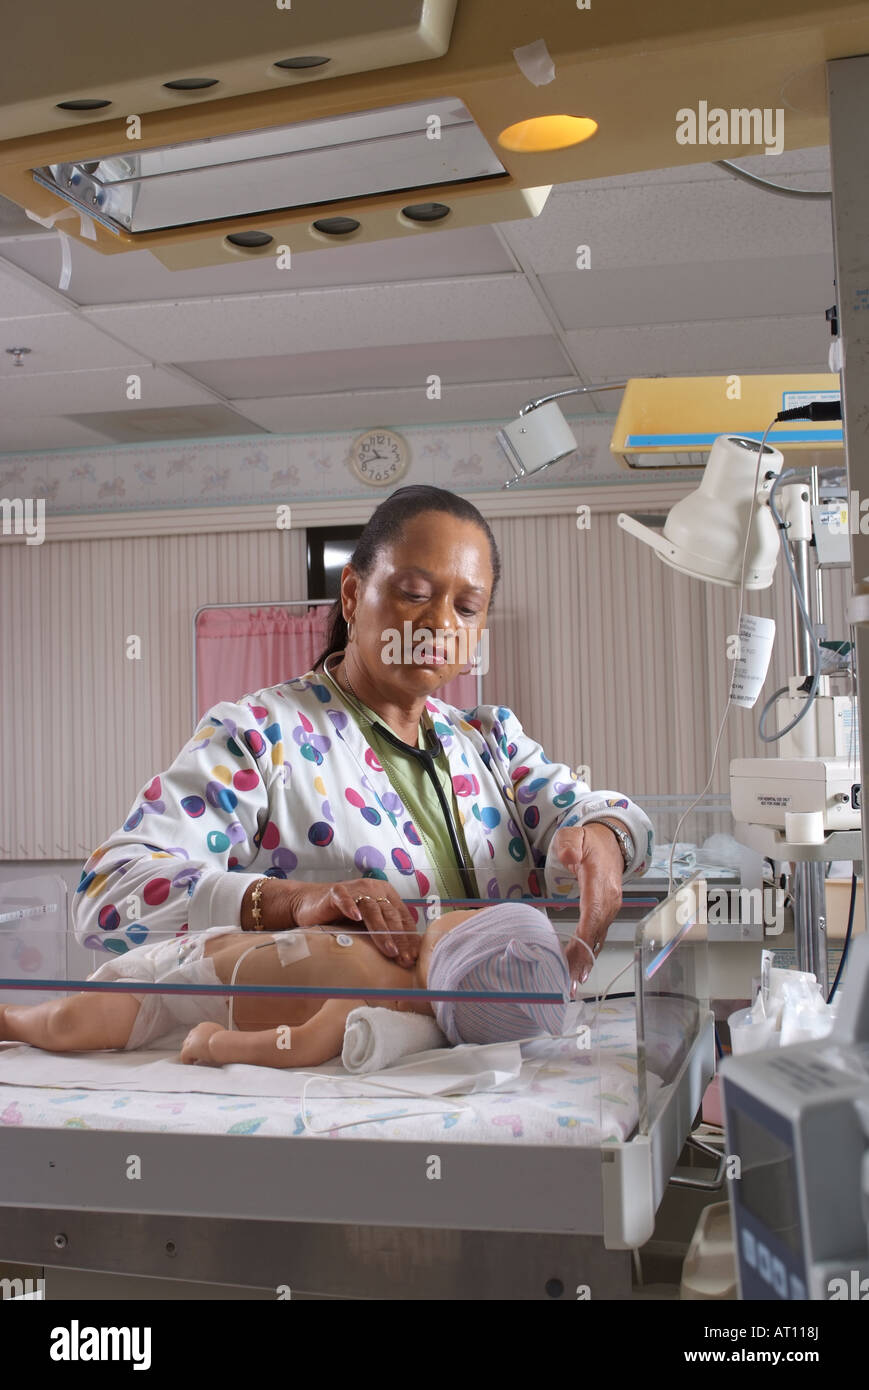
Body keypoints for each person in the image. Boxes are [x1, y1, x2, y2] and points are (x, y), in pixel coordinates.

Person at [72, 485, 654, 996]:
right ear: (351, 594)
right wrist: (289, 901)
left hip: (504, 1061)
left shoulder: (490, 742)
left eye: (468, 607)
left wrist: (604, 834)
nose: (442, 624)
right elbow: (109, 896)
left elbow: (608, 816)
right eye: (415, 592)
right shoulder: (260, 738)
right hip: (342, 1078)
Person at [0, 903, 572, 1068]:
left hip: (172, 998)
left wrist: (216, 1044)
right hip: (195, 949)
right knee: (73, 1013)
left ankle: (10, 1022)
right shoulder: (395, 947)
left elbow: (295, 1045)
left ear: (455, 953)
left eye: (473, 919)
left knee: (69, 1024)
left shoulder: (382, 1004)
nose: (459, 911)